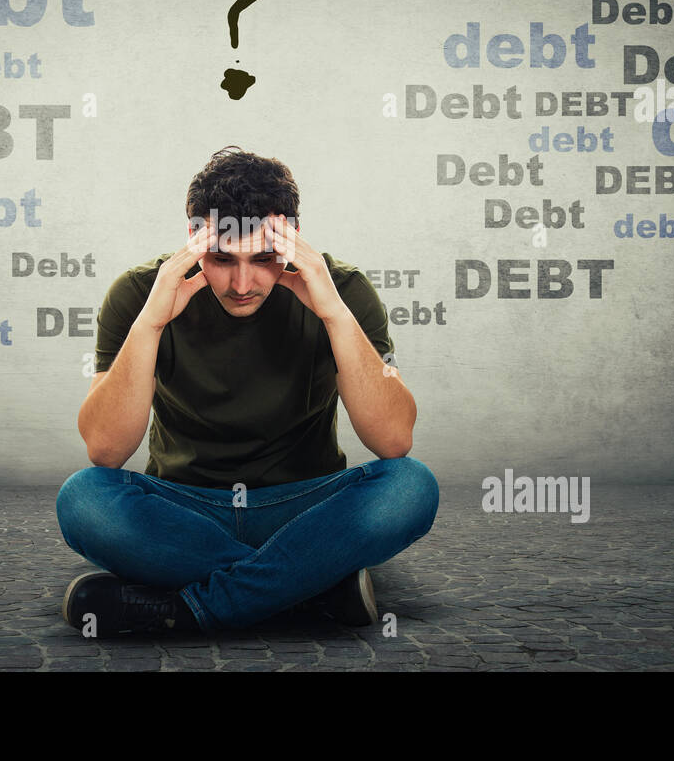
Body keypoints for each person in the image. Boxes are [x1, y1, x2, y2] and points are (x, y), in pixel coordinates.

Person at [55, 146, 439, 636]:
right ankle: (312, 586)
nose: (242, 283)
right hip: (183, 510)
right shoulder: (139, 292)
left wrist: (334, 315)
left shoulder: (344, 290)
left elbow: (392, 441)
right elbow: (105, 449)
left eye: (263, 258)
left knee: (411, 485)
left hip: (305, 509)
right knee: (83, 499)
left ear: (292, 240)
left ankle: (190, 608)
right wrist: (151, 322)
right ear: (193, 241)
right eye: (221, 258)